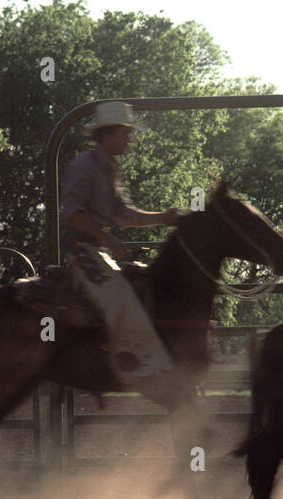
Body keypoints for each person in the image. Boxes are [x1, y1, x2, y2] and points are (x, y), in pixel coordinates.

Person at [60, 102, 191, 385]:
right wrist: (104, 236)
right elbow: (71, 213)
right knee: (119, 295)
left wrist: (162, 218)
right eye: (126, 133)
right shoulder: (85, 166)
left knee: (142, 283)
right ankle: (136, 367)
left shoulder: (107, 167)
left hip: (96, 249)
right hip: (82, 251)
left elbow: (122, 213)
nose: (130, 140)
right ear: (107, 134)